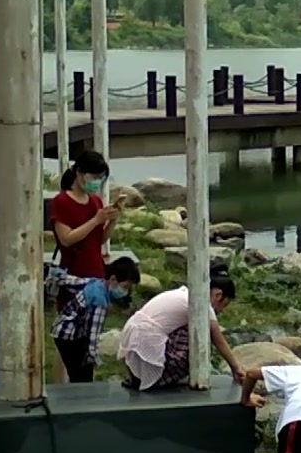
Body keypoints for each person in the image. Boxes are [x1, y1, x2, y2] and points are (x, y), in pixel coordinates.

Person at [117, 274, 245, 390]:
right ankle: (159, 379)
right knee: (201, 337)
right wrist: (236, 368)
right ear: (218, 295)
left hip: (133, 335)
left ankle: (141, 377)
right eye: (224, 305)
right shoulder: (199, 303)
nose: (221, 311)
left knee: (188, 327)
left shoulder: (184, 293)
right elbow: (218, 340)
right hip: (146, 340)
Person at [46, 255, 141, 382]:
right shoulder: (99, 301)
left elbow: (73, 281)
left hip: (63, 330)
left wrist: (58, 276)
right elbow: (93, 333)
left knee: (78, 373)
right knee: (82, 376)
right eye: (125, 287)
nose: (126, 291)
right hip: (69, 335)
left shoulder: (96, 283)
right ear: (113, 280)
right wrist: (92, 356)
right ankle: (81, 399)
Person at [49, 152, 118, 279]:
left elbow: (99, 239)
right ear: (79, 173)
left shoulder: (96, 201)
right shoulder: (62, 201)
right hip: (72, 276)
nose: (97, 182)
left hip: (97, 273)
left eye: (100, 178)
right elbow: (66, 239)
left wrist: (112, 220)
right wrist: (96, 220)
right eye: (94, 177)